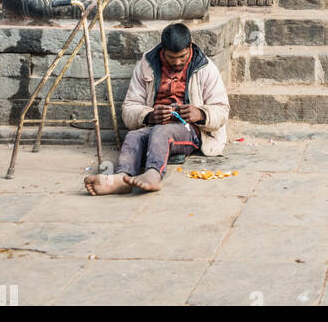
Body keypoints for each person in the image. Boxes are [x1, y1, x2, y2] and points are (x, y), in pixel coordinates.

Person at [84, 22, 229, 195]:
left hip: (190, 130)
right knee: (133, 136)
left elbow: (222, 110)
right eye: (171, 57)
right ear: (163, 50)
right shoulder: (147, 64)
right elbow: (129, 107)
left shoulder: (206, 67)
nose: (177, 62)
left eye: (182, 57)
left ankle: (153, 174)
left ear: (190, 46)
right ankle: (121, 178)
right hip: (155, 127)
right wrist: (149, 116)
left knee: (162, 132)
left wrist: (200, 114)